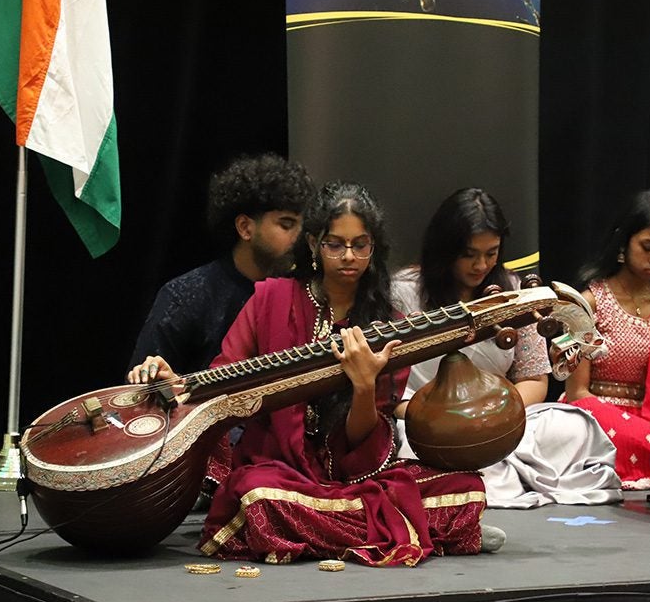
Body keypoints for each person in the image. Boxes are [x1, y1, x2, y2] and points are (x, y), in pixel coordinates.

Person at [129, 181, 499, 566]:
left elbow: (362, 458)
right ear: (312, 245)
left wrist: (363, 385)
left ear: (374, 247)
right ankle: (415, 525)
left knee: (466, 486)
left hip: (348, 476)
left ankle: (352, 524)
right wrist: (179, 384)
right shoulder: (270, 299)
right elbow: (224, 380)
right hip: (279, 469)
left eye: (360, 244)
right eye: (334, 244)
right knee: (257, 493)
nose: (348, 256)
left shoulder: (389, 325)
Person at [390, 187, 621, 508]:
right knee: (396, 441)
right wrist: (435, 420)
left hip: (499, 425)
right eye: (469, 254)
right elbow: (387, 391)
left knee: (572, 427)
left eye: (491, 252)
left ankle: (471, 476)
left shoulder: (514, 292)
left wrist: (490, 419)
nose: (481, 265)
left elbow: (534, 380)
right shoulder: (403, 294)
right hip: (424, 426)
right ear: (445, 249)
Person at [127, 153, 314, 376]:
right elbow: (143, 389)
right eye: (286, 225)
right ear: (245, 227)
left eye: (303, 227)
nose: (299, 238)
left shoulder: (308, 291)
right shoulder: (185, 296)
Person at [563, 190, 650, 490]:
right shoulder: (589, 303)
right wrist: (640, 432)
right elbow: (577, 394)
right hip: (594, 419)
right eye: (648, 247)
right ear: (623, 242)